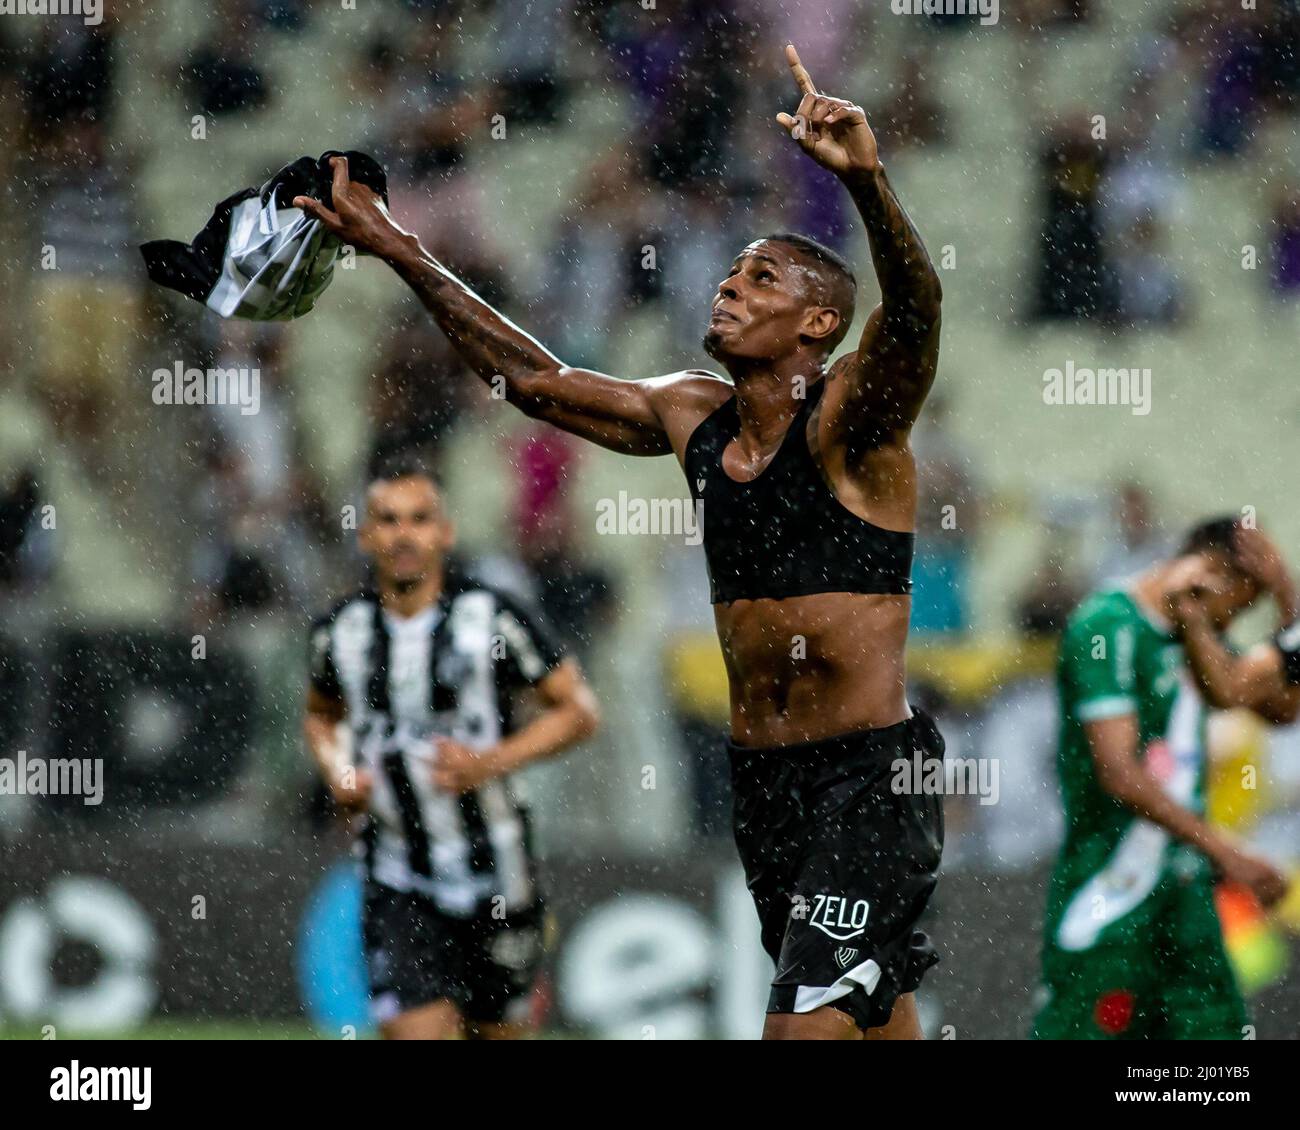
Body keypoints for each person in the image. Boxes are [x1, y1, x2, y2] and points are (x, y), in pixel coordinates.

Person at [294, 45, 945, 1040]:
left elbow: (916, 312)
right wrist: (400, 250)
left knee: (800, 1029)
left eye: (758, 277)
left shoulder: (853, 420)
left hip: (866, 777)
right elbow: (533, 381)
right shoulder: (694, 415)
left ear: (816, 322)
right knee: (877, 1017)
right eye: (727, 273)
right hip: (765, 783)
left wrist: (866, 183)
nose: (726, 287)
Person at [303, 452, 600, 1039]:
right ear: (366, 535)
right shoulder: (340, 632)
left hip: (498, 873)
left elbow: (580, 711)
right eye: (388, 520)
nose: (404, 534)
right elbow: (320, 714)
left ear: (445, 531)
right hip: (396, 877)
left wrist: (490, 762)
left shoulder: (491, 619)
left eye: (419, 518)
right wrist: (338, 770)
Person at [1034, 517, 1291, 1040]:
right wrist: (1227, 851)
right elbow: (1120, 774)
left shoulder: (1196, 631)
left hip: (1184, 900)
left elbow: (1284, 707)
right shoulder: (1106, 625)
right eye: (1240, 604)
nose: (1235, 621)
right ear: (1212, 573)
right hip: (1108, 889)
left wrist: (1290, 597)